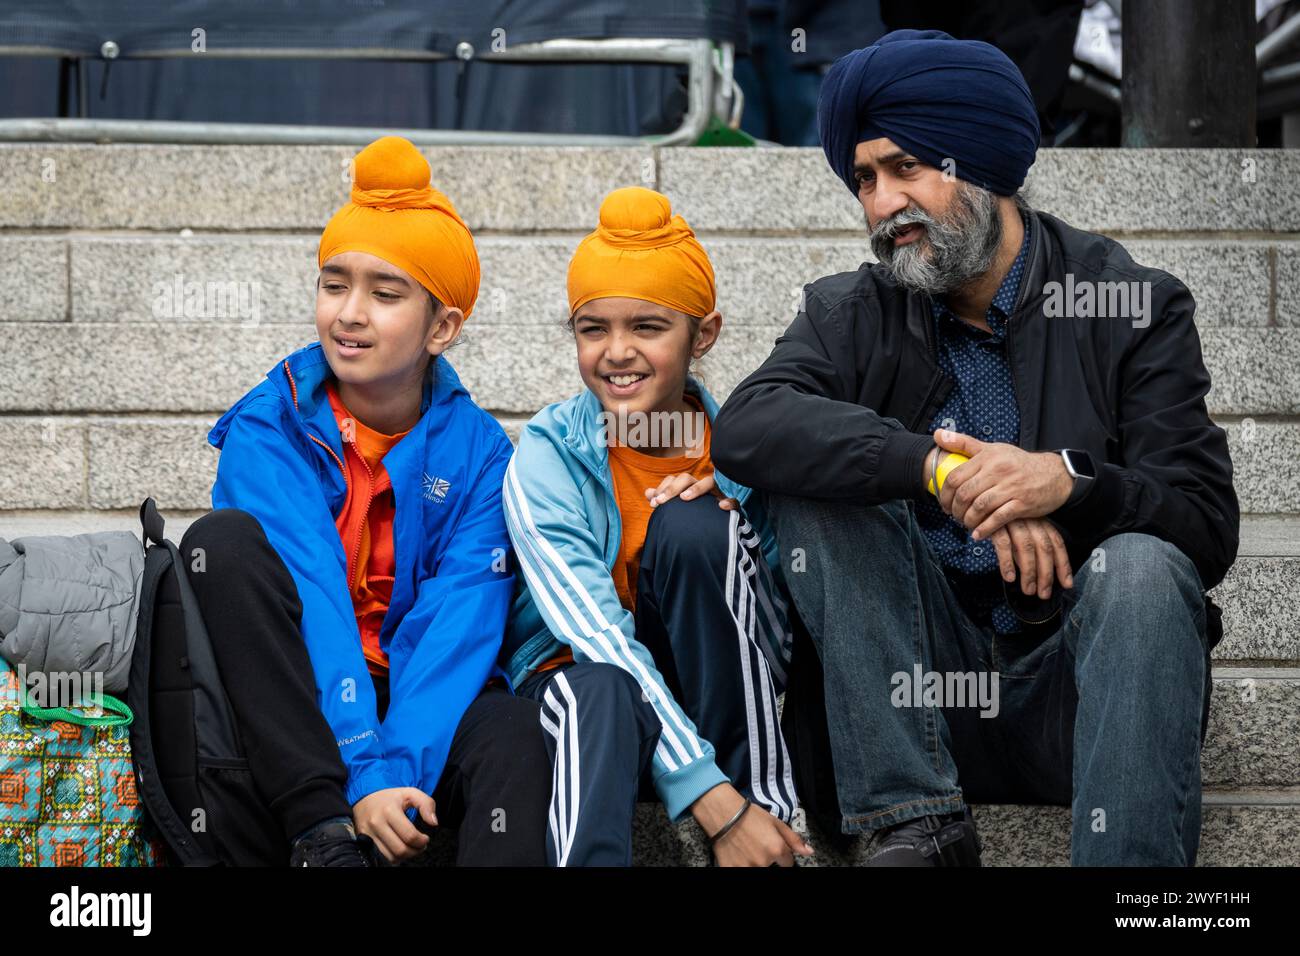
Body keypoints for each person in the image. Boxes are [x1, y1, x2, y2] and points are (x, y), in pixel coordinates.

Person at [711, 30, 1238, 866]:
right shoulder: (853, 310)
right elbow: (747, 424)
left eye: (905, 167)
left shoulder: (1126, 305)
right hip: (913, 710)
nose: (883, 204)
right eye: (864, 180)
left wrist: (1064, 485)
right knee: (817, 483)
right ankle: (917, 832)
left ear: (982, 163)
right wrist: (940, 469)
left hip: (1082, 699)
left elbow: (1206, 526)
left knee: (1141, 567)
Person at [196, 135, 551, 866]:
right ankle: (321, 838)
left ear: (442, 328)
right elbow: (315, 599)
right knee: (220, 543)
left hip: (419, 697)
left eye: (385, 294)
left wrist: (398, 779)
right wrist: (361, 772)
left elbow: (459, 621)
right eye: (334, 285)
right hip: (298, 693)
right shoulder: (270, 426)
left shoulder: (482, 453)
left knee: (515, 733)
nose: (350, 313)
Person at [501, 187, 812, 866]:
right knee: (604, 691)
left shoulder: (744, 448)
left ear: (704, 334)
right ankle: (740, 818)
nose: (616, 353)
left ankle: (772, 817)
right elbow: (593, 634)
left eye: (647, 327)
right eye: (593, 328)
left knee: (699, 528)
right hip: (584, 683)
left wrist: (740, 539)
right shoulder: (549, 452)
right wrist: (713, 802)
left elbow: (791, 628)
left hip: (713, 688)